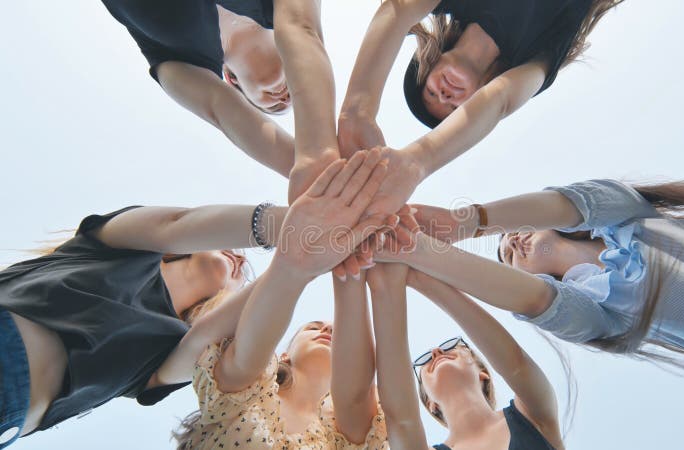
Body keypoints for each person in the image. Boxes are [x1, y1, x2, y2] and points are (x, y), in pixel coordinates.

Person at [0, 151, 386, 448]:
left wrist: (309, 255)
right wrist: (306, 227)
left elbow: (207, 335)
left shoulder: (167, 353)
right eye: (233, 251)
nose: (240, 260)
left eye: (242, 274)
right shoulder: (109, 247)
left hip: (11, 414)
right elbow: (177, 225)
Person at [384, 172, 684, 406]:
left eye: (512, 234)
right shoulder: (606, 316)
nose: (511, 242)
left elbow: (569, 204)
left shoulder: (630, 215)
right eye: (509, 257)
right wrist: (417, 252)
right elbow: (533, 300)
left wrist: (468, 223)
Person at [171, 150, 392, 449]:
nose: (328, 329)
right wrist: (337, 244)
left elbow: (356, 397)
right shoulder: (243, 392)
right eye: (313, 327)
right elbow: (246, 356)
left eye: (332, 331)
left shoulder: (346, 436)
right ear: (284, 356)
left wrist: (353, 247)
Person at [337, 0, 623, 215]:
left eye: (431, 93)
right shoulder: (536, 59)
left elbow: (399, 10)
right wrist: (417, 162)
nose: (444, 96)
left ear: (430, 64)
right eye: (451, 109)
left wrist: (357, 110)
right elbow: (500, 100)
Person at [101, 0, 342, 206]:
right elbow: (302, 30)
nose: (285, 99)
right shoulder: (285, 10)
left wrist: (325, 182)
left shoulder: (179, 63)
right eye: (295, 93)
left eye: (274, 108)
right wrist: (327, 161)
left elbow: (224, 111)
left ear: (232, 81)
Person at [367, 260, 564, 450]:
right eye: (425, 361)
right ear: (431, 404)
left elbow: (516, 365)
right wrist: (386, 284)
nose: (436, 352)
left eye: (453, 347)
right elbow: (402, 421)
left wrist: (418, 277)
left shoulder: (532, 417)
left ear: (482, 373)